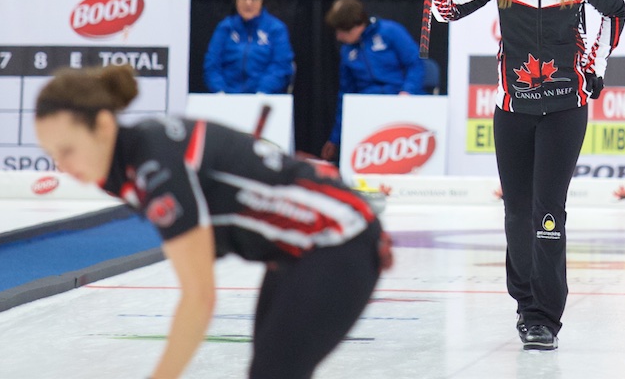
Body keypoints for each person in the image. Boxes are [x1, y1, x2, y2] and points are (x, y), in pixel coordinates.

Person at [33, 64, 388, 379]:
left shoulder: (155, 167)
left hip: (340, 239)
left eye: (67, 150)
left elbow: (199, 298)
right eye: (52, 155)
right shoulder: (134, 156)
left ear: (104, 125)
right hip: (299, 248)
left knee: (276, 369)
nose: (61, 166)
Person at [419, 0, 625, 351]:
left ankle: (543, 318)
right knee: (516, 213)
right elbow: (446, 10)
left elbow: (616, 13)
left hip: (564, 110)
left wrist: (595, 68)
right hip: (511, 111)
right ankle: (524, 304)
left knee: (548, 211)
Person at [321, 0, 424, 161]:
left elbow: (415, 64)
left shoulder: (391, 32)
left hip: (400, 101)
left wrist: (407, 92)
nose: (338, 37)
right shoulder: (347, 52)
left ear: (356, 27)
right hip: (367, 110)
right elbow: (345, 97)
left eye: (341, 31)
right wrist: (335, 138)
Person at [203, 0, 295, 94]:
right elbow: (212, 64)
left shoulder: (276, 29)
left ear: (262, 0)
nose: (248, 3)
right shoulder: (225, 27)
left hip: (264, 98)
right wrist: (220, 91)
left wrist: (262, 92)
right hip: (226, 98)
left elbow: (281, 66)